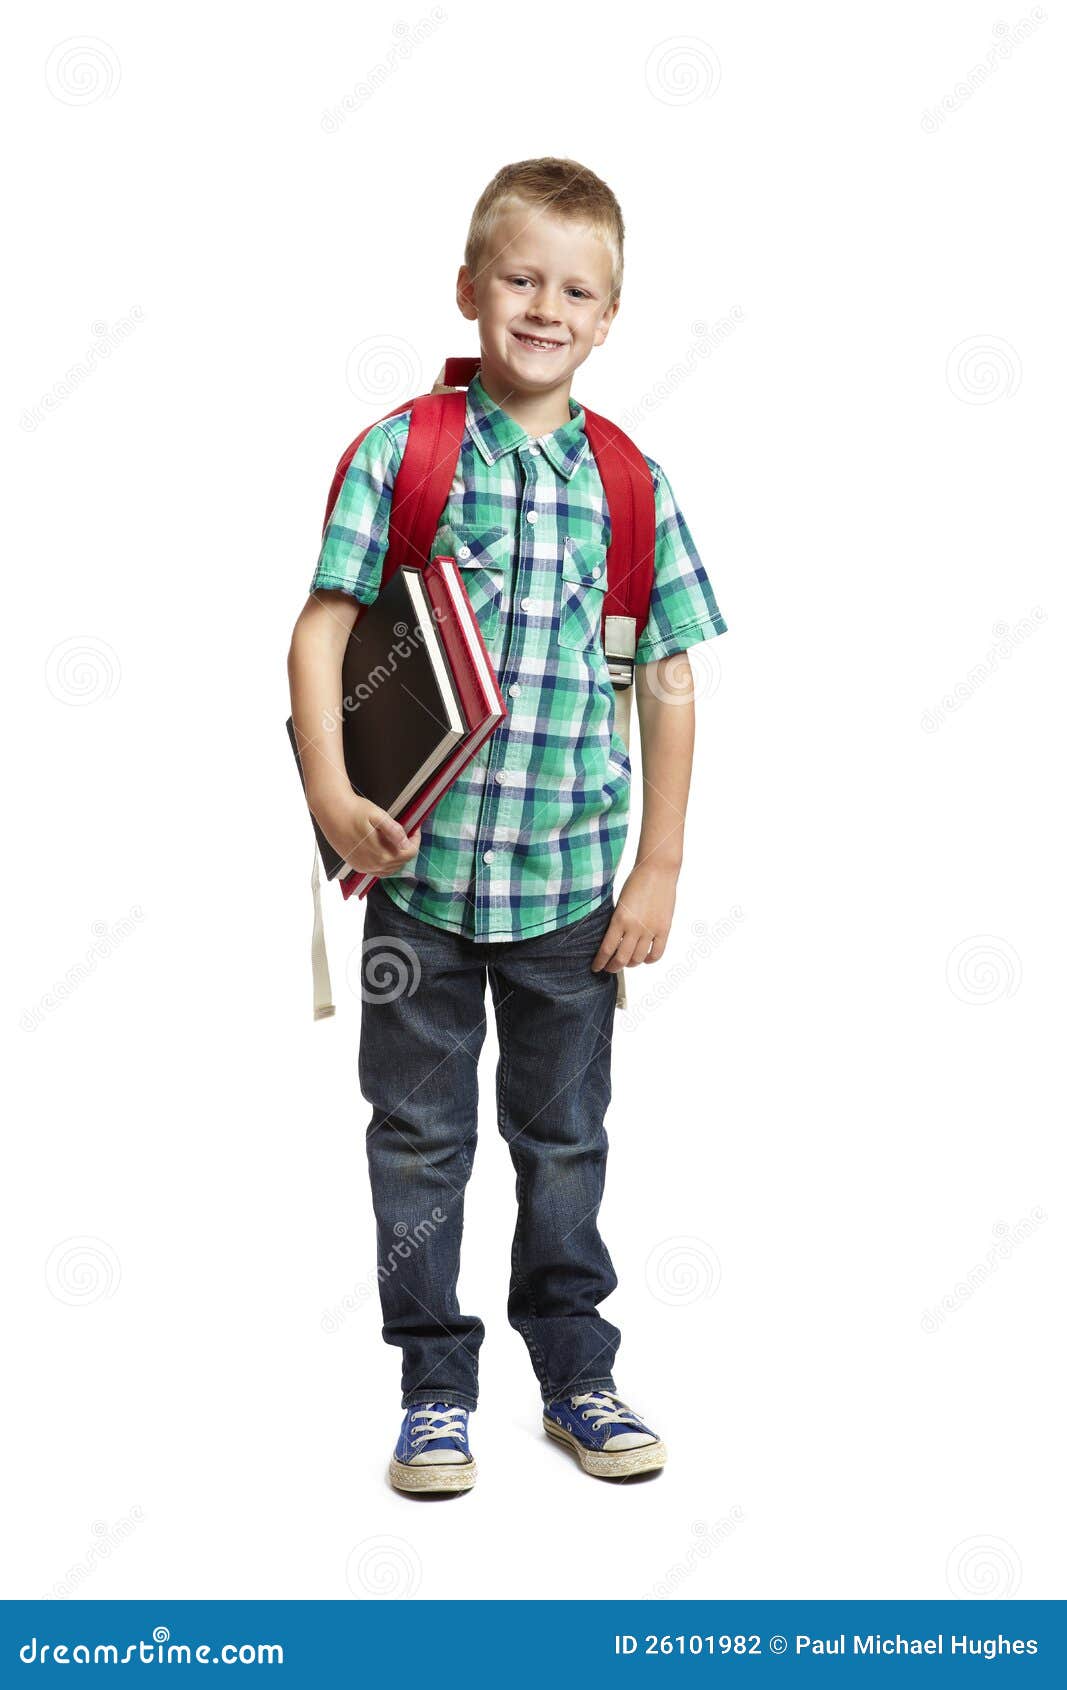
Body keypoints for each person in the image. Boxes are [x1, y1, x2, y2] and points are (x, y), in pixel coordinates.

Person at [287, 157, 728, 1491]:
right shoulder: (400, 454)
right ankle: (433, 1383)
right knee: (416, 1134)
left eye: (576, 288)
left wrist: (657, 863)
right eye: (522, 277)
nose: (545, 304)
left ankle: (575, 1369)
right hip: (415, 885)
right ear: (471, 288)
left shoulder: (630, 484)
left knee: (565, 1135)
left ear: (608, 318)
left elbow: (668, 675)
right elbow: (321, 631)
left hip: (571, 891)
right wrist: (329, 795)